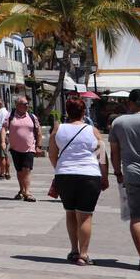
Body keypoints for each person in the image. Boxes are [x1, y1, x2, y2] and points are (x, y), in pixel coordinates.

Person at [48, 96, 108, 266]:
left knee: (70, 212)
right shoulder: (93, 131)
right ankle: (83, 254)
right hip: (89, 175)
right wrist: (104, 176)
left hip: (65, 175)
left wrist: (60, 169)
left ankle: (74, 250)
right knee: (85, 216)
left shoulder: (58, 129)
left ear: (67, 111)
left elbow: (52, 154)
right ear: (84, 112)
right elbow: (102, 156)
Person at [108, 89, 140, 272]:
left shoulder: (119, 123)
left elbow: (114, 153)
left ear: (130, 103)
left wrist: (117, 172)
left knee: (137, 217)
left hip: (133, 175)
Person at [6, 88, 43, 202]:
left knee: (26, 169)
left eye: (28, 104)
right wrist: (3, 141)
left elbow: (39, 131)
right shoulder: (10, 116)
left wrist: (38, 146)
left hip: (29, 148)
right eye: (24, 104)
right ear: (17, 105)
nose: (27, 106)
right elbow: (3, 128)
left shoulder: (32, 117)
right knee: (19, 171)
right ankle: (22, 190)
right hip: (15, 148)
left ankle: (28, 192)